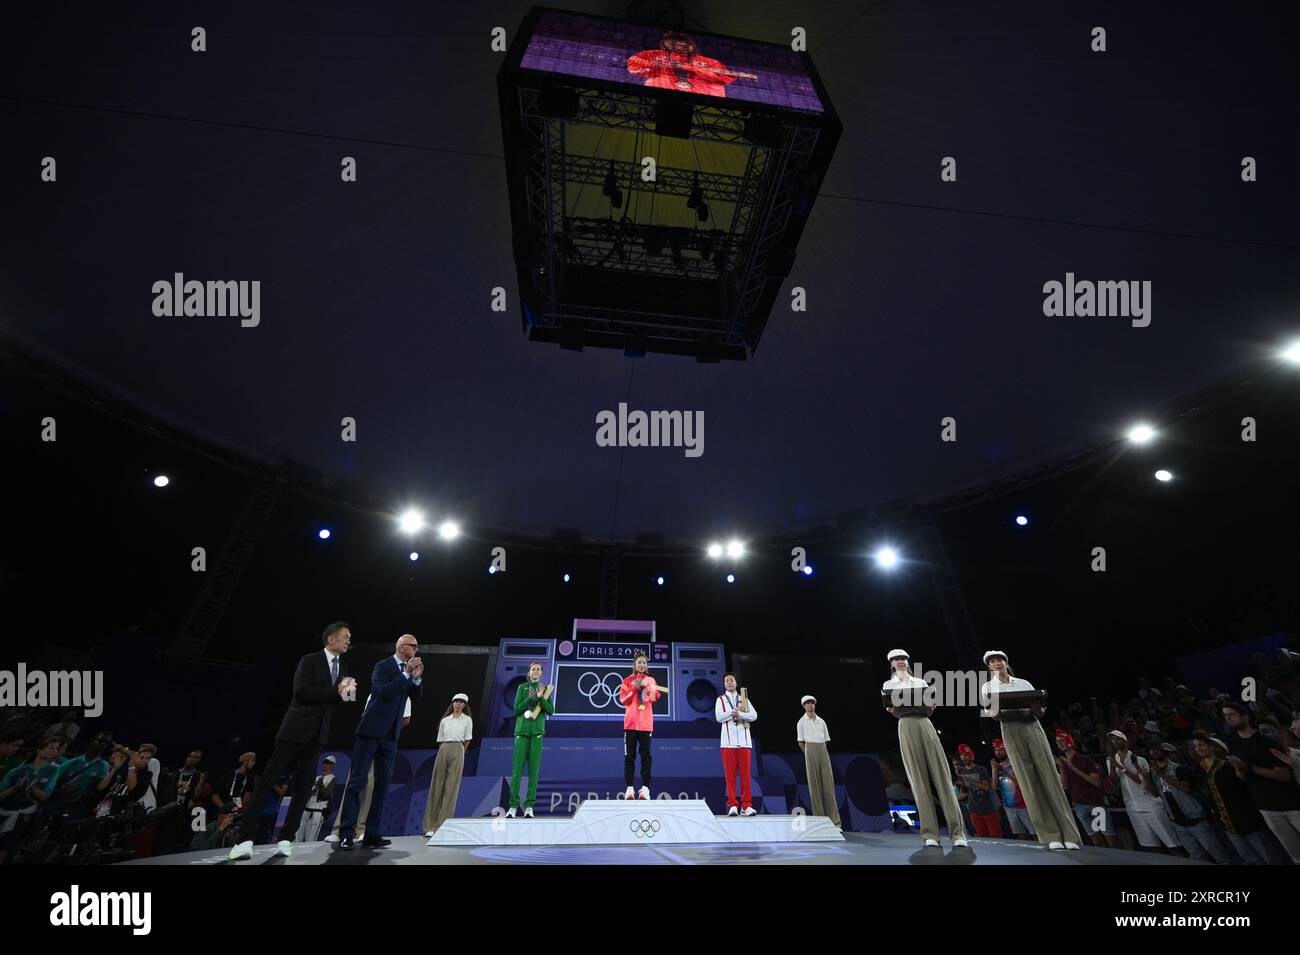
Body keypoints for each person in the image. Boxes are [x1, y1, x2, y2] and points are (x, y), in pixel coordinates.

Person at [229, 620, 357, 861]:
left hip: (318, 734)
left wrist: (347, 693)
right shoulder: (309, 660)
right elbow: (301, 692)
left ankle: (287, 837)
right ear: (331, 639)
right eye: (345, 636)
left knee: (303, 787)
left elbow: (341, 701)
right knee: (267, 781)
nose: (349, 640)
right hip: (294, 730)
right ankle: (244, 839)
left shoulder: (344, 667)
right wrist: (335, 690)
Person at [980, 650, 1081, 850]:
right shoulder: (987, 687)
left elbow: (1040, 711)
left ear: (1005, 662)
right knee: (1028, 781)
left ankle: (1069, 834)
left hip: (1031, 726)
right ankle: (1049, 834)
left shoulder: (1023, 683)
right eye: (992, 661)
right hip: (1010, 728)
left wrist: (1037, 707)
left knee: (1049, 777)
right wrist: (997, 706)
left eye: (999, 659)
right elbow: (992, 715)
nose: (997, 663)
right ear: (989, 666)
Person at [336, 634, 423, 850]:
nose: (416, 650)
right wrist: (405, 674)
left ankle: (371, 833)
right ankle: (346, 832)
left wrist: (417, 678)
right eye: (414, 646)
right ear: (402, 647)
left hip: (391, 737)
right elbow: (381, 692)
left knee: (382, 786)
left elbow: (415, 697)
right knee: (357, 783)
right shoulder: (382, 666)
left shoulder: (409, 672)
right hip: (371, 732)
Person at [882, 649, 967, 848]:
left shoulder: (920, 683)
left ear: (908, 662)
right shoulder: (888, 685)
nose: (900, 661)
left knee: (942, 777)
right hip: (905, 725)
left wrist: (931, 703)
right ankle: (930, 834)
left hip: (925, 723)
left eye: (902, 658)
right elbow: (893, 712)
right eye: (896, 660)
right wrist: (895, 703)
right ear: (892, 664)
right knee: (918, 780)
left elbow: (929, 708)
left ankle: (958, 834)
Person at [1221, 701, 1300, 862]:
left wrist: (1247, 767)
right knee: (1295, 854)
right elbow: (1243, 778)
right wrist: (1239, 771)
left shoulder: (1266, 742)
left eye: (1232, 714)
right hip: (1266, 806)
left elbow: (1284, 775)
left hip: (1292, 803)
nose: (1228, 718)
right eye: (1225, 716)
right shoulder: (1232, 745)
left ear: (1245, 717)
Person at [1189, 733, 1278, 864]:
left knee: (1266, 853)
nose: (1198, 748)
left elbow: (1244, 783)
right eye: (1195, 746)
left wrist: (1240, 773)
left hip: (1244, 813)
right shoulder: (1199, 769)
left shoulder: (1228, 764)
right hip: (1224, 818)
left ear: (1211, 747)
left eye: (1201, 745)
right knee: (1247, 856)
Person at [1147, 741, 1231, 863]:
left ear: (1164, 751)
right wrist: (1146, 778)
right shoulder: (1153, 773)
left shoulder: (1179, 768)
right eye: (1150, 750)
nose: (1153, 752)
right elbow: (1155, 794)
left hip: (1195, 818)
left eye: (1156, 749)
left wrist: (1162, 775)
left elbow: (1186, 787)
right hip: (1177, 820)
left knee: (1218, 854)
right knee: (1196, 857)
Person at [1104, 730, 1178, 854]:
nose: (1115, 741)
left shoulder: (1139, 759)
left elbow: (1141, 781)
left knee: (1172, 843)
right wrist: (1112, 768)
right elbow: (1114, 782)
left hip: (1151, 805)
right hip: (1132, 808)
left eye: (1118, 739)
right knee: (1150, 846)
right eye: (1113, 740)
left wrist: (1121, 768)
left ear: (1125, 740)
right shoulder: (1111, 760)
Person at [625, 30, 757, 98]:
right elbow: (633, 65)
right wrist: (654, 65)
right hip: (662, 93)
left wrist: (698, 70)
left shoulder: (708, 62)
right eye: (674, 44)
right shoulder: (654, 54)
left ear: (692, 46)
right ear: (666, 44)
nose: (680, 47)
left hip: (702, 98)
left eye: (685, 44)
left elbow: (726, 78)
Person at [1055, 730, 1118, 848]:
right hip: (1079, 806)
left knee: (1110, 838)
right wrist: (1062, 768)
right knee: (1096, 842)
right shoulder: (1064, 763)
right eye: (1057, 742)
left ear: (1069, 742)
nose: (1059, 743)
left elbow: (1096, 782)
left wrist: (1073, 768)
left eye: (1061, 740)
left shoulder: (1084, 760)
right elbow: (1065, 787)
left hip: (1094, 804)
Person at [506, 664, 553, 818]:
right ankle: (513, 806)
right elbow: (517, 710)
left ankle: (529, 807)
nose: (535, 671)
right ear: (529, 672)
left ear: (541, 673)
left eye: (538, 669)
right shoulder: (522, 688)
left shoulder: (545, 689)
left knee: (534, 772)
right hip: (521, 733)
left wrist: (540, 698)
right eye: (533, 669)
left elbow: (551, 711)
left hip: (537, 734)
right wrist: (530, 699)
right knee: (517, 771)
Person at [425, 693, 473, 833]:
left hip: (458, 748)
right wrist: (444, 752)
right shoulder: (445, 720)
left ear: (464, 705)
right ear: (452, 703)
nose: (458, 704)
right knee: (437, 785)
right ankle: (430, 825)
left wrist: (461, 752)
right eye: (456, 702)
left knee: (451, 787)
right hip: (444, 748)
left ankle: (443, 826)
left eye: (461, 702)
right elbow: (440, 739)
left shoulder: (468, 720)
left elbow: (468, 738)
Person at [619, 653, 661, 800]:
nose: (642, 665)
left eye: (644, 662)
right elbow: (623, 700)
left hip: (645, 725)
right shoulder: (627, 680)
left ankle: (645, 789)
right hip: (630, 724)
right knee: (629, 757)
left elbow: (654, 697)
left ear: (646, 665)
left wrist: (648, 687)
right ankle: (629, 789)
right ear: (634, 664)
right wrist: (633, 689)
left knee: (646, 756)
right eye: (639, 663)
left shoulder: (651, 680)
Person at [715, 673, 758, 816]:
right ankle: (732, 805)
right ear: (724, 684)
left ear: (735, 683)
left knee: (746, 776)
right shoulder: (720, 700)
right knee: (730, 776)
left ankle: (746, 806)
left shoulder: (743, 699)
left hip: (745, 742)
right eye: (726, 681)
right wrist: (732, 713)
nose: (729, 682)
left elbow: (754, 715)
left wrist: (741, 715)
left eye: (731, 680)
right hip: (728, 743)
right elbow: (719, 717)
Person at [797, 695, 841, 829]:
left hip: (822, 748)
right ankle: (820, 822)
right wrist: (808, 754)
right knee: (814, 788)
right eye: (807, 703)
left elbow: (826, 740)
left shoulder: (821, 721)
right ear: (804, 706)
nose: (810, 705)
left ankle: (836, 822)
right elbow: (801, 742)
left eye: (812, 703)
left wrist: (821, 751)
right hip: (809, 749)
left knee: (829, 786)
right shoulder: (801, 722)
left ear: (814, 705)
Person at [991, 739, 1034, 840]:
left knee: (1034, 834)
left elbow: (1021, 783)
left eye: (1000, 750)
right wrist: (996, 771)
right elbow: (994, 787)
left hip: (1024, 805)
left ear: (1006, 750)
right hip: (1009, 807)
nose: (998, 752)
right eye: (996, 750)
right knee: (1020, 836)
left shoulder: (1015, 764)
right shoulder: (997, 768)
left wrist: (1003, 770)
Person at [955, 743, 1000, 838]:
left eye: (965, 755)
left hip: (989, 810)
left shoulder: (980, 769)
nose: (963, 757)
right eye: (961, 755)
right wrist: (954, 798)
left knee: (996, 839)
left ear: (971, 756)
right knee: (982, 839)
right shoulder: (962, 771)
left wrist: (969, 780)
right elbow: (966, 792)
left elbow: (986, 787)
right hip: (974, 811)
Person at [295, 755, 336, 842]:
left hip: (318, 811)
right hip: (307, 809)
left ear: (332, 765)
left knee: (310, 838)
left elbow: (326, 795)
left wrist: (320, 785)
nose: (325, 765)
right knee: (298, 835)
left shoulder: (333, 778)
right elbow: (309, 793)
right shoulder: (317, 777)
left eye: (328, 763)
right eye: (324, 763)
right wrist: (316, 786)